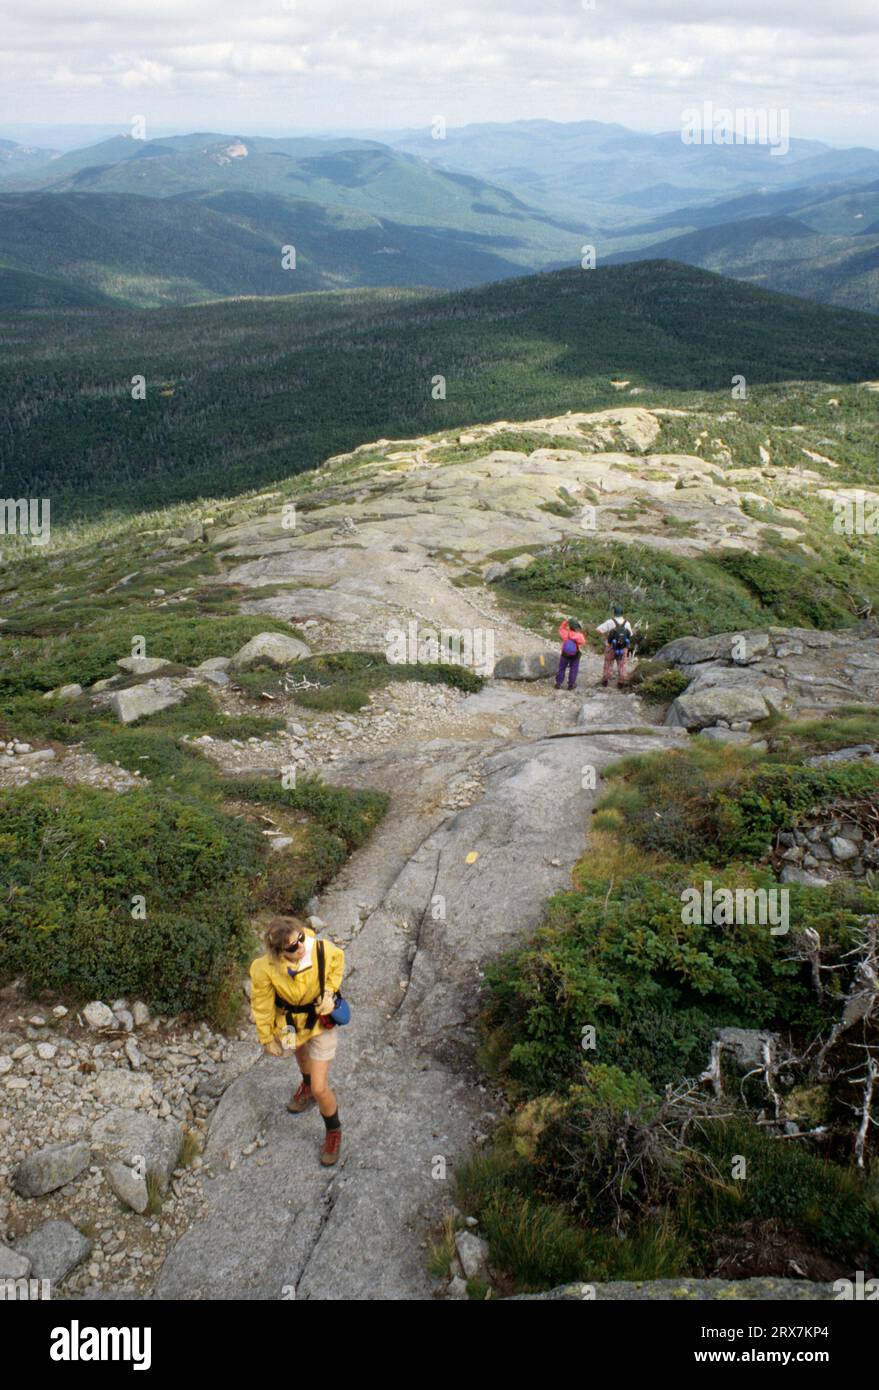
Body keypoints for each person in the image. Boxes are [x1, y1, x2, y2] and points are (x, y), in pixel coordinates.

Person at [249, 916, 346, 1166]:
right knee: (298, 1052)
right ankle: (305, 1084)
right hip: (290, 1022)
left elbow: (337, 963)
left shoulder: (321, 949)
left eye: (300, 938)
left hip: (319, 1019)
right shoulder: (264, 968)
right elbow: (261, 1003)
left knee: (320, 1087)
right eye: (292, 947)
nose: (301, 946)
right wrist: (266, 1036)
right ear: (279, 951)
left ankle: (333, 1130)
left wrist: (329, 992)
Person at [596, 607, 633, 687]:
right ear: (622, 613)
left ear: (614, 613)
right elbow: (630, 634)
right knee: (622, 664)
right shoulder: (627, 623)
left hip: (610, 646)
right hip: (623, 647)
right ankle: (621, 682)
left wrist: (606, 637)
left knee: (608, 663)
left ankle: (605, 681)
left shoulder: (609, 622)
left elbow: (598, 630)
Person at [555, 618, 585, 691]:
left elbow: (561, 628)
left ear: (570, 626)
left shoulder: (565, 633)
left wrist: (566, 621)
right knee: (574, 669)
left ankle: (558, 683)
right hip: (575, 654)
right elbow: (583, 642)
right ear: (577, 627)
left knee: (561, 668)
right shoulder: (579, 635)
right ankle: (571, 685)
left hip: (565, 653)